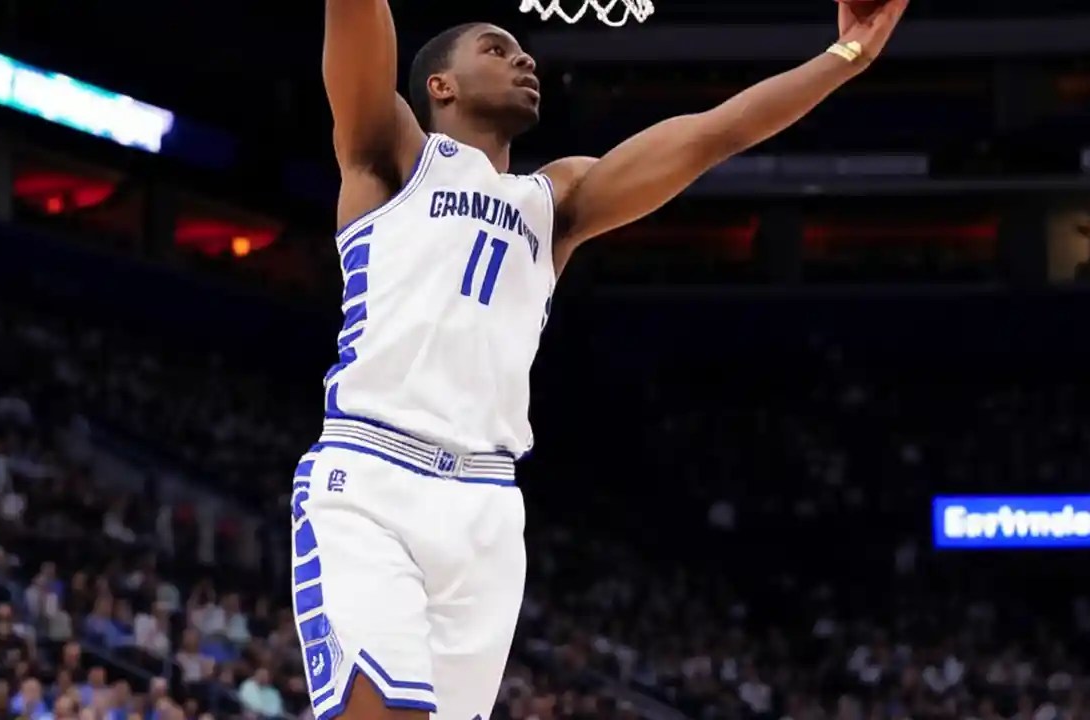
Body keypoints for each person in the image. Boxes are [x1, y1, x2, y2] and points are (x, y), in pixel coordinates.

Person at [294, 2, 910, 719]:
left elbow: (714, 134)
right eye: (498, 49)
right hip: (372, 479)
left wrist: (845, 59)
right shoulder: (392, 150)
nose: (525, 60)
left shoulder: (557, 199)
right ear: (441, 86)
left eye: (525, 51)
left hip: (488, 507)